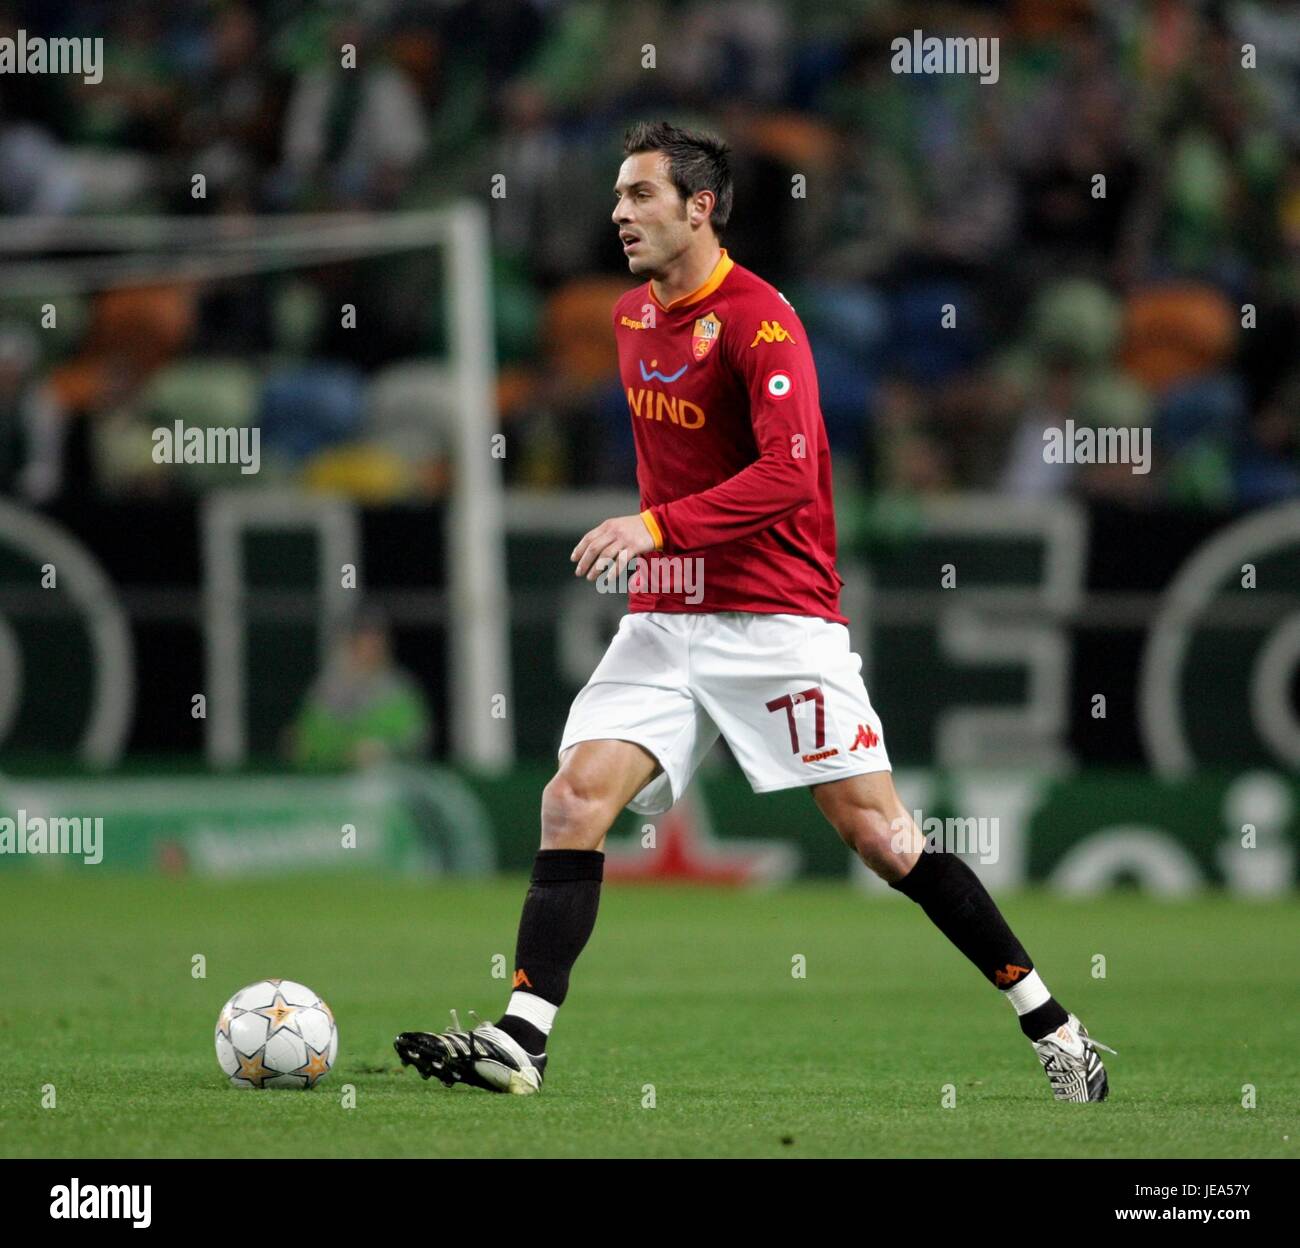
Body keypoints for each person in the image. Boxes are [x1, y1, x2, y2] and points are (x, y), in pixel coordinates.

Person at [396, 122, 1113, 1101]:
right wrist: (663, 551)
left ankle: (1053, 1025)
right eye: (616, 197)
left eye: (640, 195)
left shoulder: (761, 322)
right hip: (666, 619)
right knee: (570, 800)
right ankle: (524, 1039)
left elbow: (786, 474)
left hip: (776, 623)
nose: (618, 214)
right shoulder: (629, 319)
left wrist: (656, 527)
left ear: (700, 207)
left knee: (883, 841)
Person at [287, 611, 430, 770]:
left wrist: (385, 750)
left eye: (376, 641)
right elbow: (307, 738)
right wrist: (300, 743)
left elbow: (416, 740)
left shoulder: (400, 691)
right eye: (363, 640)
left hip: (383, 783)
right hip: (329, 782)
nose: (370, 649)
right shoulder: (325, 689)